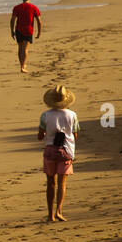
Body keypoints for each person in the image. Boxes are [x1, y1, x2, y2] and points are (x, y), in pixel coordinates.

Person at [37, 84, 79, 223]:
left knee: (50, 183)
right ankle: (59, 211)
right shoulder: (72, 115)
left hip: (50, 150)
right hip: (66, 150)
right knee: (62, 183)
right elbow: (75, 134)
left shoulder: (45, 115)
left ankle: (50, 215)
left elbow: (40, 135)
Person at [9, 0, 43, 73]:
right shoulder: (33, 7)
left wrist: (12, 31)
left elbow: (12, 20)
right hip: (28, 30)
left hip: (18, 30)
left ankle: (22, 65)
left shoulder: (17, 7)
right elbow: (39, 21)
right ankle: (23, 66)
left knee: (20, 48)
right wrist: (39, 32)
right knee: (25, 49)